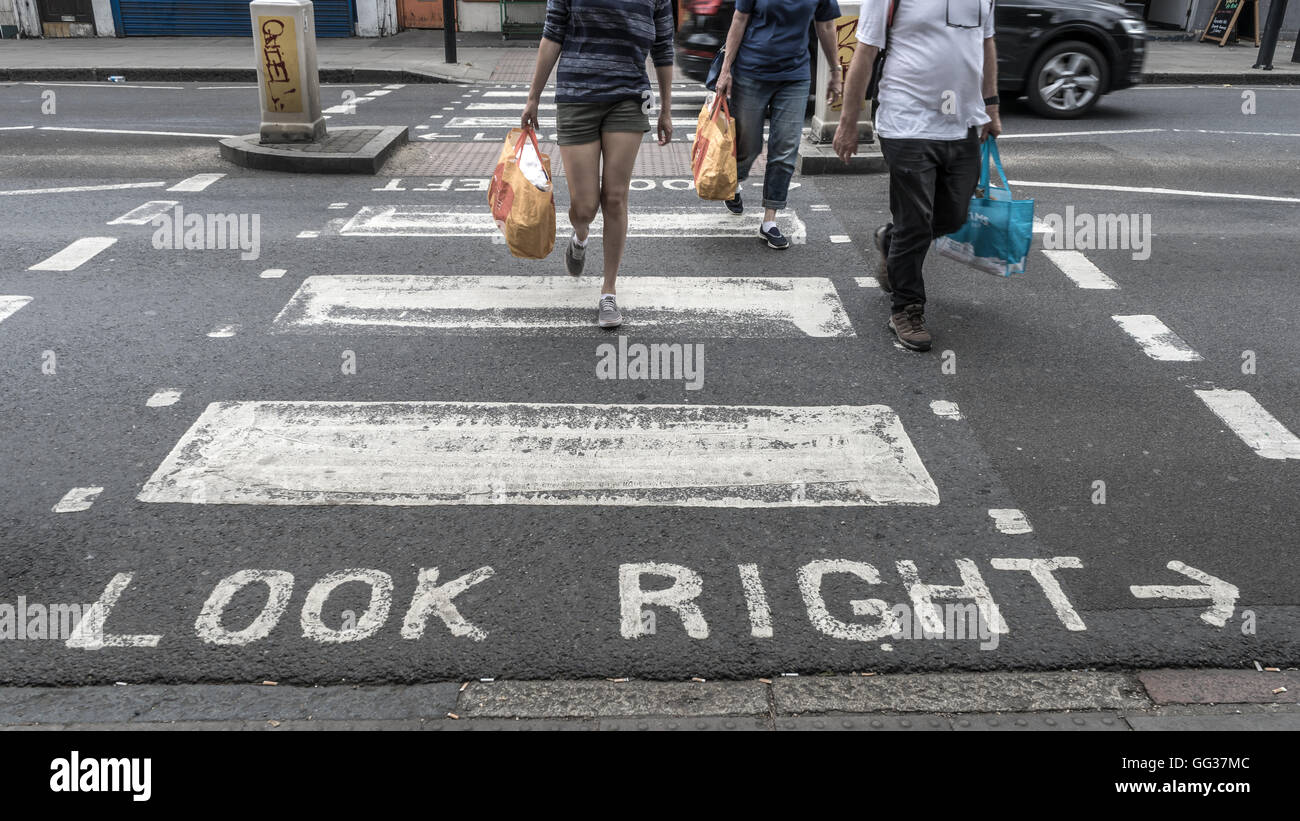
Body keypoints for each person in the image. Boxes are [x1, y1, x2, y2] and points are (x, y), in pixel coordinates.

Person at [833, 0, 1002, 351]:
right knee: (915, 221)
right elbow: (865, 49)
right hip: (906, 120)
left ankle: (891, 241)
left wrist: (991, 105)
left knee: (953, 215)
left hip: (962, 121)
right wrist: (849, 122)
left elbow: (986, 42)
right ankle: (906, 308)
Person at [522, 0, 676, 329]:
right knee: (585, 206)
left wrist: (666, 109)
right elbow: (553, 34)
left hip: (629, 98)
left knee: (616, 197)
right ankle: (580, 236)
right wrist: (533, 96)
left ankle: (608, 290)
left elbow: (663, 46)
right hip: (577, 96)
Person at [715, 0, 843, 250]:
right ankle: (735, 183)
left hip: (795, 76)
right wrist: (725, 70)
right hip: (751, 72)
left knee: (785, 148)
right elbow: (739, 20)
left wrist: (836, 72)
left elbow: (826, 26)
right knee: (748, 145)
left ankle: (770, 221)